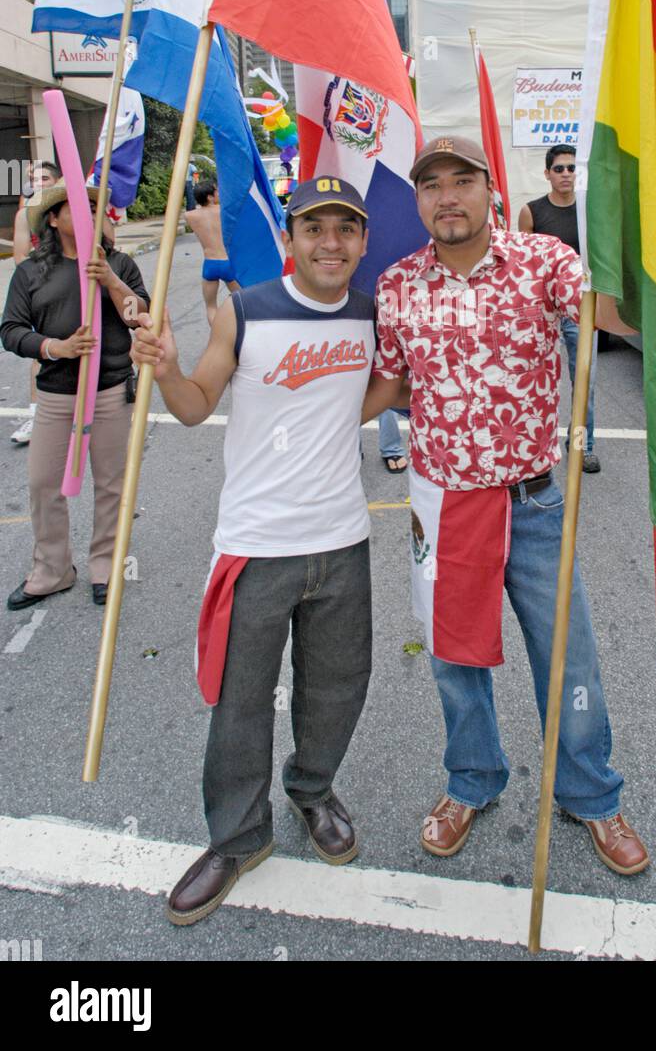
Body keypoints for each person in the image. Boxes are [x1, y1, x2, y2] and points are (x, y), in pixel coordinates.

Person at [365, 136, 649, 876]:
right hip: (442, 503)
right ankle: (472, 781)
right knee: (455, 660)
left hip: (533, 503)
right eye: (433, 185)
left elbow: (610, 318)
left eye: (463, 181)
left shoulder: (544, 263)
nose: (448, 197)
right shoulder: (397, 285)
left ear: (492, 191)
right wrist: (287, 393)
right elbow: (390, 386)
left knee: (567, 657)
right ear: (419, 199)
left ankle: (591, 795)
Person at [132, 177, 382, 927]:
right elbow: (192, 407)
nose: (330, 243)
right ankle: (237, 838)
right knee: (240, 702)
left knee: (336, 688)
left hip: (343, 540)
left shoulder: (372, 315)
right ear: (292, 238)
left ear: (362, 242)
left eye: (345, 230)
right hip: (257, 545)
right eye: (314, 228)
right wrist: (168, 366)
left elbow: (372, 395)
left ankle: (312, 791)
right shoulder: (245, 310)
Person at [1, 183, 149, 609]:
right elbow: (11, 330)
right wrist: (55, 347)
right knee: (43, 483)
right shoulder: (32, 271)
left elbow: (141, 317)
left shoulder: (118, 263)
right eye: (79, 207)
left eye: (95, 208)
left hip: (110, 390)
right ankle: (51, 570)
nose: (89, 214)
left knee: (112, 484)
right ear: (53, 218)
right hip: (56, 393)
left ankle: (105, 565)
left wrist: (111, 281)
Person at [518, 143, 600, 473]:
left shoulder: (589, 211)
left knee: (585, 381)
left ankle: (584, 445)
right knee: (532, 381)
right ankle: (533, 444)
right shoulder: (531, 212)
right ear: (547, 174)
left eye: (571, 168)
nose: (566, 174)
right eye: (559, 168)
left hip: (580, 310)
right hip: (542, 312)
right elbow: (521, 265)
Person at [10, 160, 63, 447]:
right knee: (40, 351)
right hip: (42, 288)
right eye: (33, 178)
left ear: (57, 181)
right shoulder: (24, 215)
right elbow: (20, 258)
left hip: (78, 285)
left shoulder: (73, 208)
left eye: (43, 177)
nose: (37, 182)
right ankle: (36, 414)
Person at [184, 179, 239, 327]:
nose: (218, 194)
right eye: (216, 191)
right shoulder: (223, 211)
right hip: (228, 262)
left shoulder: (190, 216)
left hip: (210, 264)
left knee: (211, 306)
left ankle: (217, 337)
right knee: (244, 302)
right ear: (209, 196)